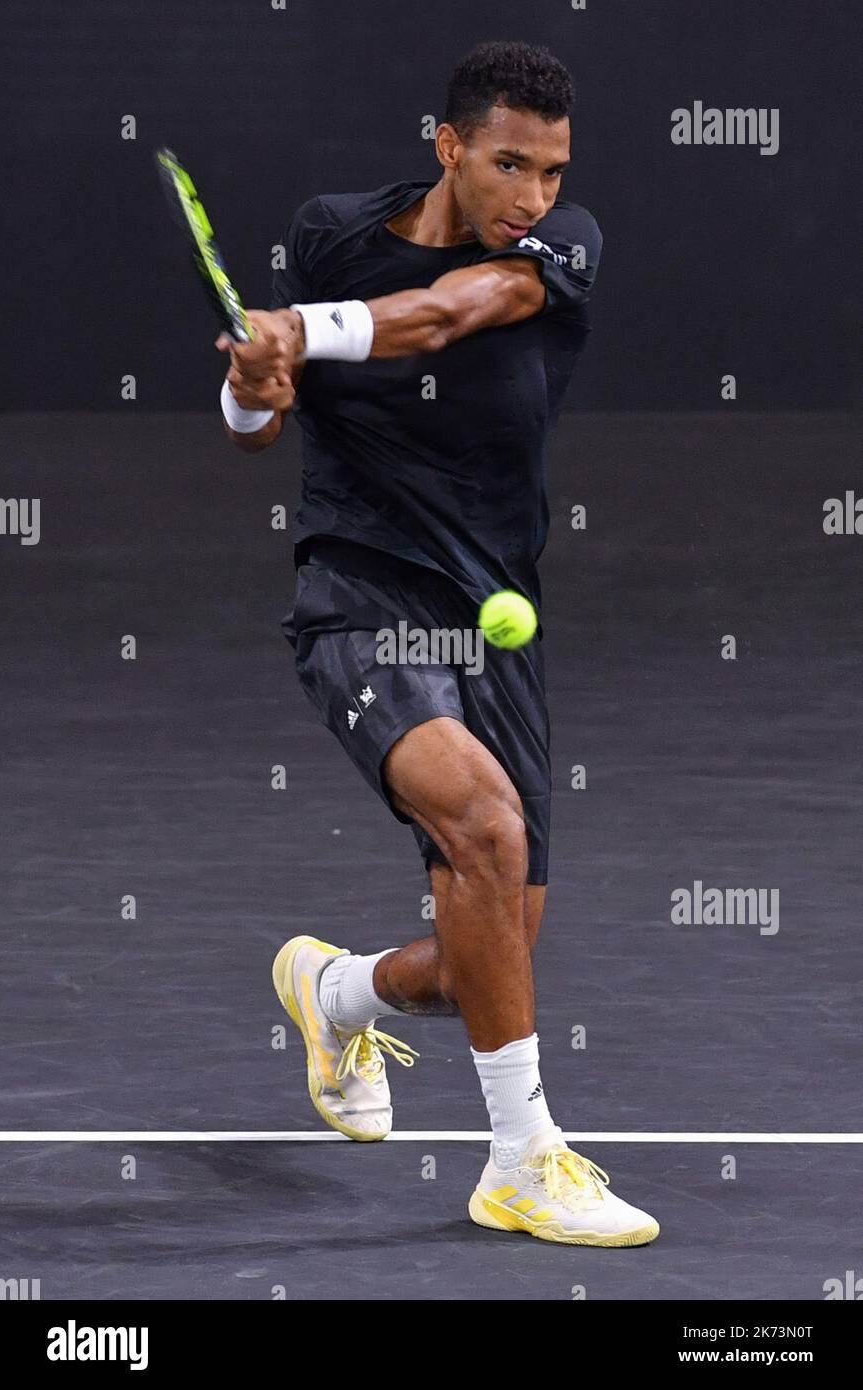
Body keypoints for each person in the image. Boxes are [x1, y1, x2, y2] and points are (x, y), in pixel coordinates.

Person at [217, 39, 659, 1247]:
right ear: (447, 144)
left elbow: (442, 318)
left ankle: (334, 987)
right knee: (483, 825)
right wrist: (255, 381)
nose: (533, 196)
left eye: (552, 171)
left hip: (495, 610)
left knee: (482, 968)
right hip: (361, 590)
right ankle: (520, 1158)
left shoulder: (557, 250)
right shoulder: (331, 230)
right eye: (508, 164)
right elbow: (257, 423)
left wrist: (302, 329)